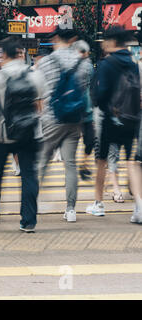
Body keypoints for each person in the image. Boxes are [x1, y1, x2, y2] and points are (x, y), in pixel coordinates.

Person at [0, 37, 45, 233]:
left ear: (3, 55)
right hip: (30, 133)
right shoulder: (36, 76)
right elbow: (39, 106)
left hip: (3, 133)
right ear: (20, 53)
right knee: (29, 174)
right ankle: (28, 220)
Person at [87, 26, 142, 222]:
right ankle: (139, 206)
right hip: (132, 119)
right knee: (131, 162)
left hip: (111, 119)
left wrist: (101, 108)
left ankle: (98, 204)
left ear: (111, 42)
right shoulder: (133, 63)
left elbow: (101, 96)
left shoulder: (107, 63)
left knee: (102, 161)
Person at [37, 27, 92, 223]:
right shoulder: (85, 63)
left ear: (57, 38)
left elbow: (39, 93)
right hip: (74, 120)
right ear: (75, 39)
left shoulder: (45, 62)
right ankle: (70, 210)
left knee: (42, 161)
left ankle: (32, 203)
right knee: (70, 164)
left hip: (51, 119)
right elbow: (84, 90)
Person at [72, 40, 95, 182]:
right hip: (78, 109)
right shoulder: (81, 66)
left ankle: (83, 165)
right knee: (86, 140)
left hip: (84, 110)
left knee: (89, 140)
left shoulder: (88, 66)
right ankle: (80, 166)